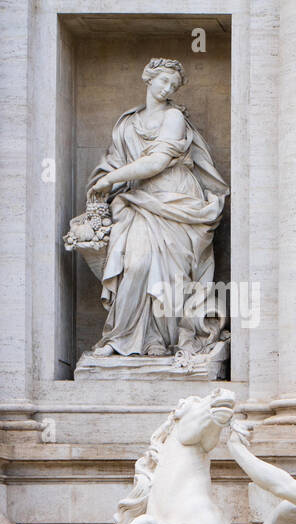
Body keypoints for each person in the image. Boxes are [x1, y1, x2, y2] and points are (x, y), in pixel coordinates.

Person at [85, 58, 228, 358]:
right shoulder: (126, 124)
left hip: (176, 200)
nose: (168, 88)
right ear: (148, 78)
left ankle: (160, 341)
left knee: (170, 275)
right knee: (136, 265)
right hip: (140, 201)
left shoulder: (174, 116)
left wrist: (111, 179)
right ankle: (122, 336)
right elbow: (114, 162)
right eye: (163, 81)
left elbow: (157, 161)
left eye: (174, 85)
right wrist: (105, 181)